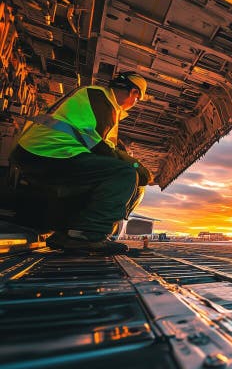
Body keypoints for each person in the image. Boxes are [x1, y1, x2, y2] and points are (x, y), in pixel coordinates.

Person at [10, 71, 154, 254]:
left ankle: (67, 233)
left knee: (101, 176)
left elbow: (103, 146)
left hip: (41, 152)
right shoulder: (101, 99)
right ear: (133, 92)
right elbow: (100, 148)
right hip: (50, 151)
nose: (135, 104)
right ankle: (88, 234)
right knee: (123, 174)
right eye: (137, 98)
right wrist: (135, 166)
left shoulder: (98, 101)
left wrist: (126, 158)